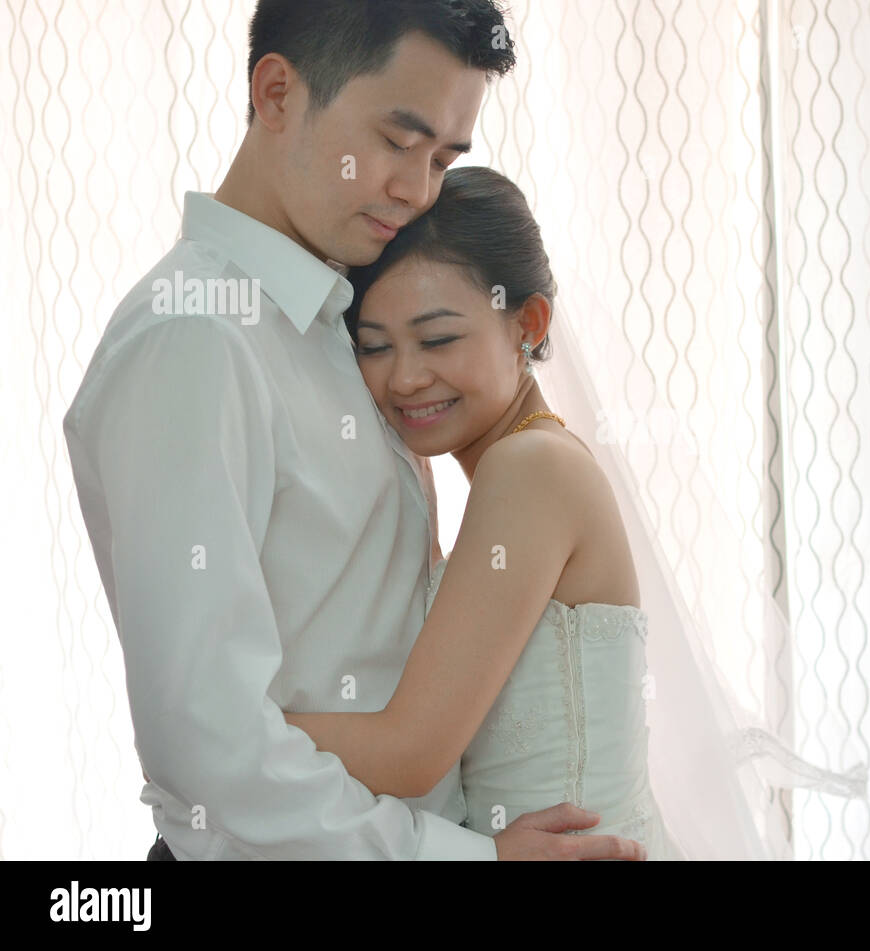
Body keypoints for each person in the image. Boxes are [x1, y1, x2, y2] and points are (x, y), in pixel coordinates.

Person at [62, 0, 644, 861]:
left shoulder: (343, 322)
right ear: (275, 94)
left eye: (444, 158)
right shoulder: (195, 338)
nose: (418, 189)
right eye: (396, 141)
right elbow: (209, 747)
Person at [282, 166, 693, 856]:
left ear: (527, 324)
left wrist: (228, 729)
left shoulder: (530, 468)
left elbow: (410, 749)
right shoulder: (515, 470)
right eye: (374, 345)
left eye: (438, 339)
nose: (405, 376)